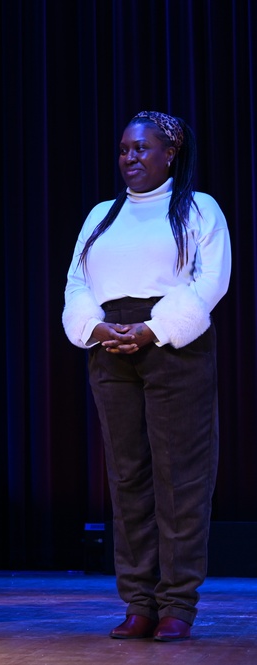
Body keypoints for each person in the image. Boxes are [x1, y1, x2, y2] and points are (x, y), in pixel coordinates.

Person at [63, 111, 231, 642]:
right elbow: (76, 283)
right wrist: (94, 328)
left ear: (170, 152)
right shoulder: (99, 216)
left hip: (173, 348)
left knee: (180, 479)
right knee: (127, 478)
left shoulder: (198, 209)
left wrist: (152, 331)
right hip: (111, 348)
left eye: (142, 149)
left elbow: (209, 283)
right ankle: (138, 601)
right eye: (124, 149)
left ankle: (177, 603)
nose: (130, 158)